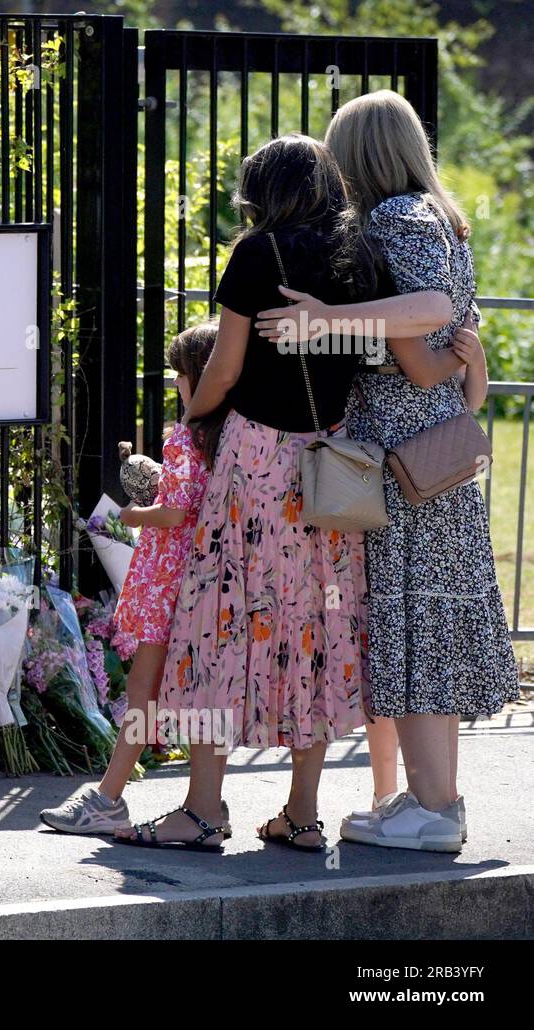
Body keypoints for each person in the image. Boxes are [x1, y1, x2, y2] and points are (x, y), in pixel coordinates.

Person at [115, 135, 378, 853]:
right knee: (313, 633)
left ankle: (202, 810)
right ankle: (301, 812)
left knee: (221, 622)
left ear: (262, 194)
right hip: (329, 468)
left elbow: (224, 370)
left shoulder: (259, 255)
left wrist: (191, 417)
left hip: (256, 467)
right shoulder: (359, 256)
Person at [321, 90, 518, 850]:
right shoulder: (443, 220)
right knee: (425, 619)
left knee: (413, 621)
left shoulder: (393, 222)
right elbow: (458, 340)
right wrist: (453, 363)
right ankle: (435, 800)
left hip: (404, 461)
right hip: (439, 453)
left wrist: (336, 321)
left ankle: (433, 810)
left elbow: (422, 328)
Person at [39, 322, 222, 835]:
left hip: (167, 581)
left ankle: (108, 798)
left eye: (179, 374)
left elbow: (174, 512)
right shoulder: (229, 434)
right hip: (203, 580)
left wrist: (134, 516)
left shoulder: (187, 435)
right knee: (200, 692)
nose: (175, 385)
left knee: (143, 689)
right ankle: (208, 804)